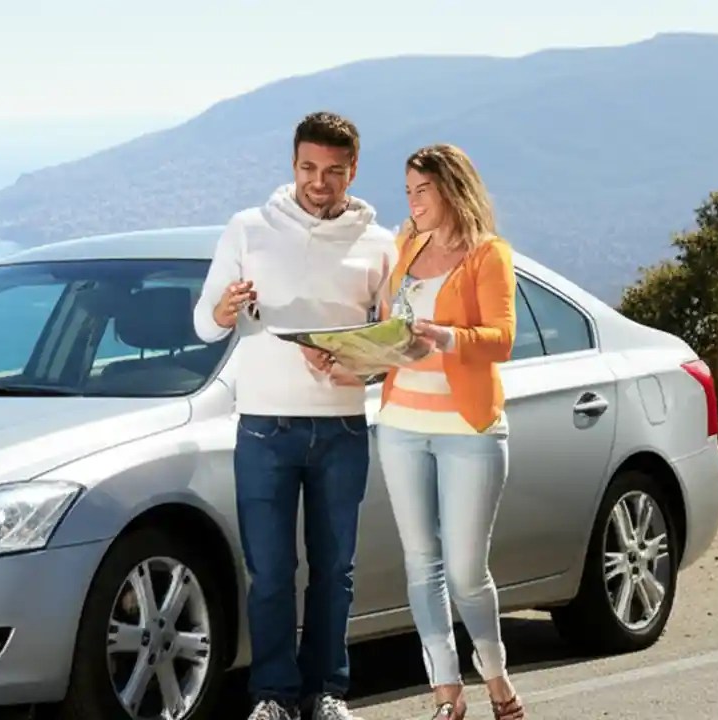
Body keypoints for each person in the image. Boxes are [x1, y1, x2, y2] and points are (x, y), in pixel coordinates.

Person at [193, 111, 396, 720]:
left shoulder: (379, 244)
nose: (319, 181)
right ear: (293, 165)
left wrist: (357, 363)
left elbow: (392, 344)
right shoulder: (248, 229)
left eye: (333, 171)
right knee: (272, 573)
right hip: (263, 429)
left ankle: (328, 693)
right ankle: (273, 698)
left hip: (341, 428)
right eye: (309, 168)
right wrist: (226, 310)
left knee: (335, 570)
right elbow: (203, 324)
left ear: (352, 171)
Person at [373, 143, 525, 720]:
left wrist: (446, 337)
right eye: (408, 191)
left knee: (465, 571)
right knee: (421, 564)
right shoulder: (403, 247)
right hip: (400, 425)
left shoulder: (489, 254)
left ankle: (497, 679)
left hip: (469, 428)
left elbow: (503, 339)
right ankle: (445, 693)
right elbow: (387, 325)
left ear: (452, 189)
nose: (412, 202)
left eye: (422, 191)